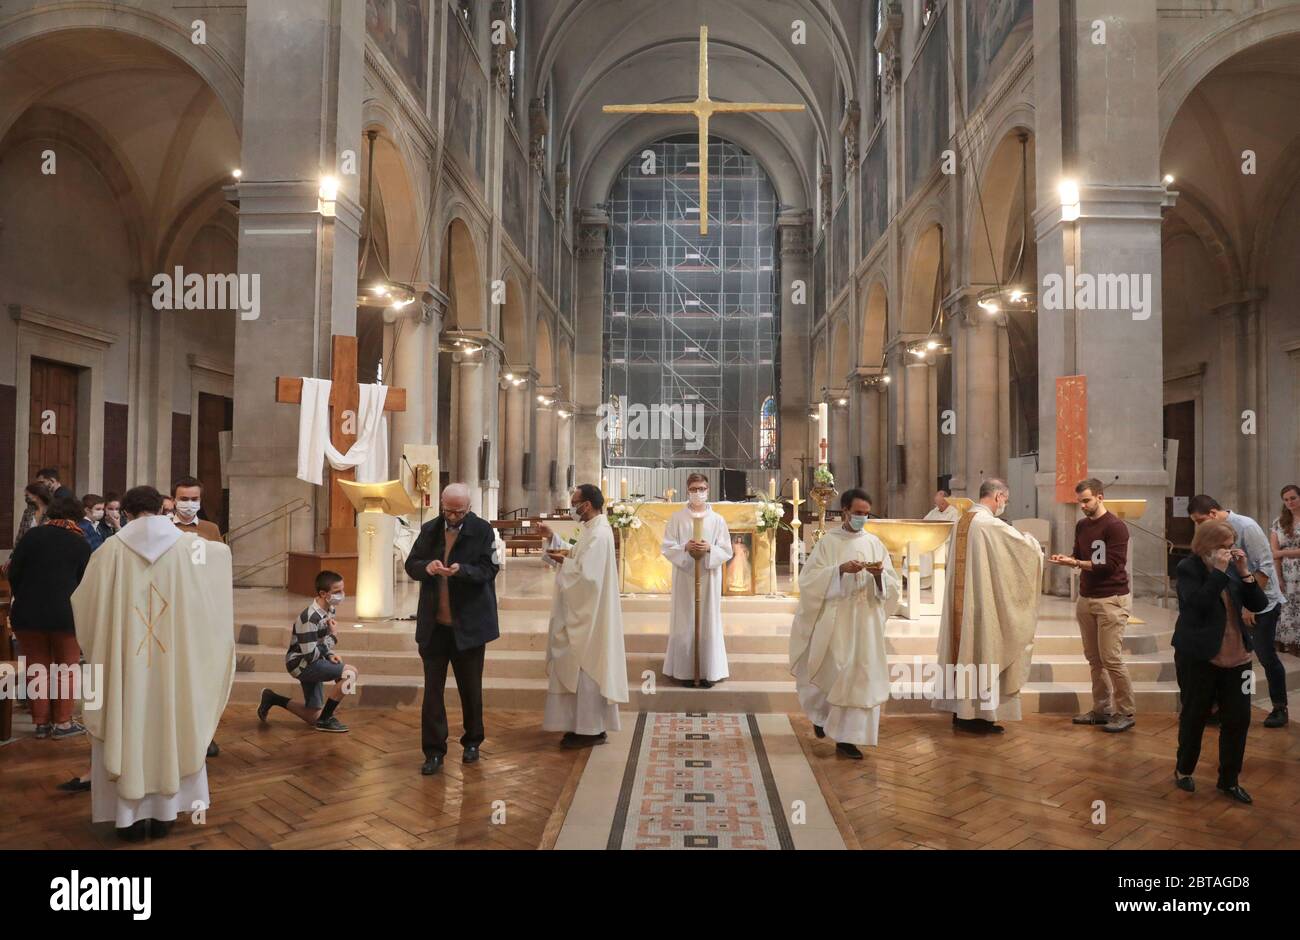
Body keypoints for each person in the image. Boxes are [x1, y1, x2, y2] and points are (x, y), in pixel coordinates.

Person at [70, 485, 234, 841]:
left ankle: (126, 819)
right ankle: (164, 814)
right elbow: (217, 566)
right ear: (162, 509)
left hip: (124, 668)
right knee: (172, 725)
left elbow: (84, 606)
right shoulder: (191, 550)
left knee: (126, 725)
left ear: (125, 512)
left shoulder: (110, 551)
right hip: (173, 667)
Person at [790, 488, 900, 759]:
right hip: (838, 621)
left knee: (860, 677)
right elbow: (808, 580)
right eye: (857, 513)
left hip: (867, 623)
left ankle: (847, 738)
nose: (862, 517)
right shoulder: (829, 542)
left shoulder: (875, 543)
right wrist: (839, 570)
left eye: (866, 513)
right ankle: (822, 718)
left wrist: (878, 576)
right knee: (837, 672)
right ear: (845, 511)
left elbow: (892, 586)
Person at [932, 478, 1043, 733]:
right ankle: (977, 716)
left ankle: (961, 712)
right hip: (980, 606)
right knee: (982, 649)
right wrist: (1035, 546)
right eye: (1006, 499)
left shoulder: (962, 520)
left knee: (966, 651)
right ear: (998, 496)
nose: (1005, 504)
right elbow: (1023, 551)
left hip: (966, 604)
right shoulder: (989, 524)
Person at [404, 483, 500, 776]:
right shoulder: (430, 528)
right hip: (435, 627)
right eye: (449, 510)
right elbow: (412, 564)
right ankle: (433, 751)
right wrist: (427, 568)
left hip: (469, 626)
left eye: (460, 511)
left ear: (468, 508)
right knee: (432, 692)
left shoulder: (483, 530)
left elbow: (490, 568)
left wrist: (463, 571)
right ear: (442, 506)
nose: (454, 516)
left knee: (470, 689)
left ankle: (472, 742)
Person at [1172, 519, 1267, 803]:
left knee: (1239, 719)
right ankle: (1184, 769)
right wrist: (1222, 573)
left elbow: (1259, 605)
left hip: (1238, 655)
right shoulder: (1188, 568)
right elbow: (1197, 605)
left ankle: (1229, 779)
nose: (1229, 551)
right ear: (1207, 546)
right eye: (1223, 547)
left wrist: (1245, 573)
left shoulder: (1234, 568)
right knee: (1195, 714)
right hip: (1200, 655)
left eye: (1231, 546)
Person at [538, 484, 627, 748]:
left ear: (586, 505)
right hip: (586, 612)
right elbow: (577, 556)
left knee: (587, 668)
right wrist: (554, 539)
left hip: (590, 618)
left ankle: (590, 729)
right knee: (579, 667)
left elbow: (587, 577)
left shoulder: (600, 533)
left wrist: (563, 561)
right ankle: (580, 725)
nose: (573, 507)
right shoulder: (592, 529)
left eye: (575, 502)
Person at [1188, 495, 1288, 728]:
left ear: (1213, 514)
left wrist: (1249, 607)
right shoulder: (1213, 532)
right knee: (1230, 656)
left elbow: (1264, 567)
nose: (1199, 526)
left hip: (1262, 602)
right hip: (1234, 600)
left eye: (1200, 520)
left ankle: (1279, 707)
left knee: (1265, 655)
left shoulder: (1247, 527)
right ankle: (1223, 706)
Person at [1048, 478, 1135, 733]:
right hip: (1086, 598)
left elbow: (1112, 565)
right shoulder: (1082, 525)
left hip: (1111, 599)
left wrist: (1074, 564)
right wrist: (1067, 558)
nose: (1083, 506)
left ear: (1100, 497)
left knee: (1111, 658)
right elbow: (1080, 554)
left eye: (1086, 500)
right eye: (1080, 502)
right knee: (1094, 659)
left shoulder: (1116, 527)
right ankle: (1101, 709)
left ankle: (1125, 711)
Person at [6, 492, 92, 739]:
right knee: (67, 667)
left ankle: (41, 723)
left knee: (36, 667)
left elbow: (14, 572)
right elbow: (85, 582)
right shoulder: (80, 542)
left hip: (27, 612)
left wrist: (24, 595)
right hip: (65, 614)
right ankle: (63, 723)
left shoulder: (32, 536)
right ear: (77, 516)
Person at [257, 571, 358, 732]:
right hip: (301, 664)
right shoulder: (309, 618)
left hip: (314, 660)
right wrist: (333, 637)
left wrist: (330, 655)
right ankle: (325, 720)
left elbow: (319, 642)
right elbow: (310, 654)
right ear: (323, 594)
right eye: (337, 592)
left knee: (313, 716)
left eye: (342, 590)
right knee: (350, 674)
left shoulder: (330, 609)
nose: (342, 595)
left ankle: (272, 698)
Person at [661, 473, 733, 687]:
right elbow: (666, 547)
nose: (698, 493)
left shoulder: (718, 520)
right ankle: (684, 671)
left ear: (707, 490)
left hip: (709, 575)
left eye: (701, 488)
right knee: (685, 619)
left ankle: (708, 670)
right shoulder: (677, 518)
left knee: (708, 620)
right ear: (687, 490)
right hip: (685, 575)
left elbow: (726, 549)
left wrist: (710, 548)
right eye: (694, 489)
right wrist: (685, 547)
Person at [1269, 484, 1300, 657]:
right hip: (1287, 576)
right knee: (1289, 614)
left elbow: (1280, 551)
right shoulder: (1279, 522)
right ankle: (1294, 654)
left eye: (1293, 498)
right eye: (1286, 500)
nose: (1290, 502)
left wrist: (1284, 552)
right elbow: (1274, 553)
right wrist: (1278, 577)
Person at [919, 487, 961, 584]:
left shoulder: (954, 513)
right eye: (937, 504)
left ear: (946, 501)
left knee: (926, 554)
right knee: (917, 550)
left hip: (945, 544)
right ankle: (914, 577)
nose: (939, 506)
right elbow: (923, 523)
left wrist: (935, 541)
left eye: (941, 504)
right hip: (930, 542)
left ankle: (926, 581)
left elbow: (952, 532)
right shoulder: (934, 511)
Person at [170, 476, 222, 541]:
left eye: (194, 499)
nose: (189, 503)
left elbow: (219, 550)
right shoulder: (164, 527)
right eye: (184, 499)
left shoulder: (211, 529)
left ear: (200, 500)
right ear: (173, 500)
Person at [13, 481, 51, 547]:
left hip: (46, 550)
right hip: (28, 550)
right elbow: (20, 534)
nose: (25, 497)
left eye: (27, 495)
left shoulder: (52, 512)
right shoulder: (28, 512)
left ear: (36, 495)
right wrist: (15, 552)